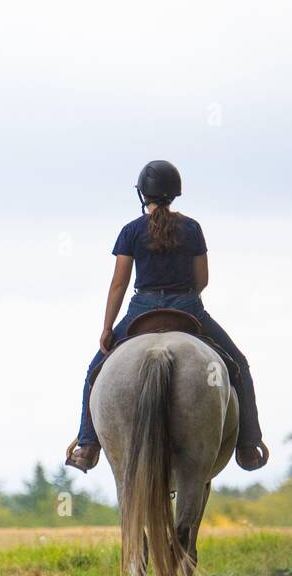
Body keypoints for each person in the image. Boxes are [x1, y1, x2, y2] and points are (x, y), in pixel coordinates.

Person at [65, 160, 269, 473]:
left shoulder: (131, 231)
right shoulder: (192, 228)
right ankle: (248, 445)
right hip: (188, 307)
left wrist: (107, 327)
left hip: (142, 308)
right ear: (175, 193)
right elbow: (202, 279)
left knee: (95, 370)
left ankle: (88, 444)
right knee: (238, 364)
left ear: (142, 195)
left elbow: (119, 283)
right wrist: (184, 295)